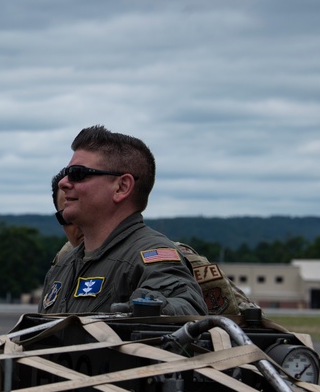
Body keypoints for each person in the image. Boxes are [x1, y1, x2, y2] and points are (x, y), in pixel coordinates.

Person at [38, 125, 206, 316]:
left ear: (122, 187)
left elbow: (187, 306)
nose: (63, 182)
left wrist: (151, 309)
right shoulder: (64, 265)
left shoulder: (150, 256)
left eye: (78, 174)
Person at [48, 167, 255, 316]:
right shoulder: (64, 263)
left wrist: (151, 309)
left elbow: (232, 318)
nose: (77, 225)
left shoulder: (158, 256)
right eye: (66, 217)